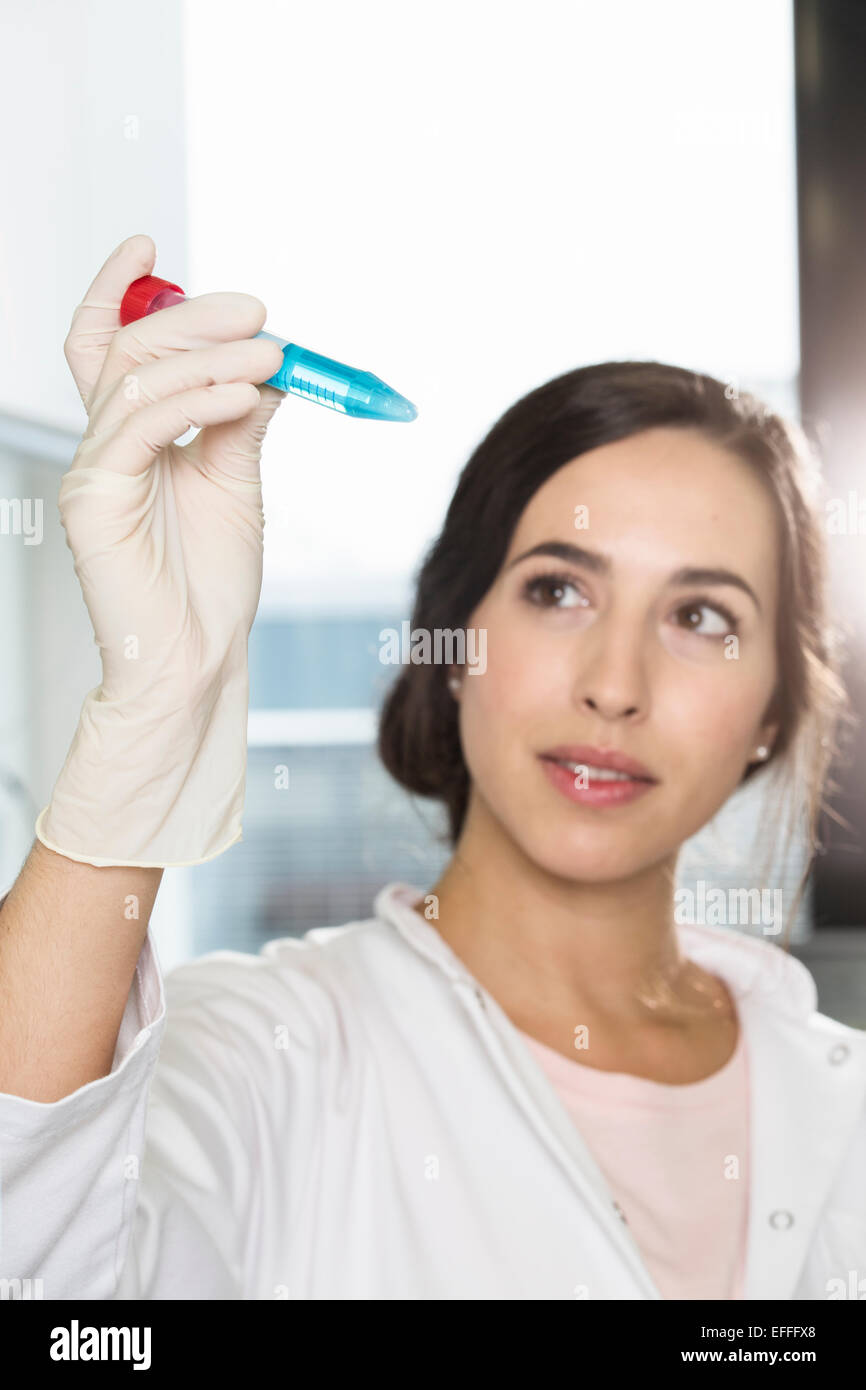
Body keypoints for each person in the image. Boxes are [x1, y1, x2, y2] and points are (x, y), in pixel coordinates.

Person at [0, 235, 863, 1302]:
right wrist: (153, 702)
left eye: (698, 615)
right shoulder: (260, 1054)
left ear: (773, 711)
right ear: (451, 644)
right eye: (556, 590)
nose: (612, 683)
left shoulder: (842, 1103)